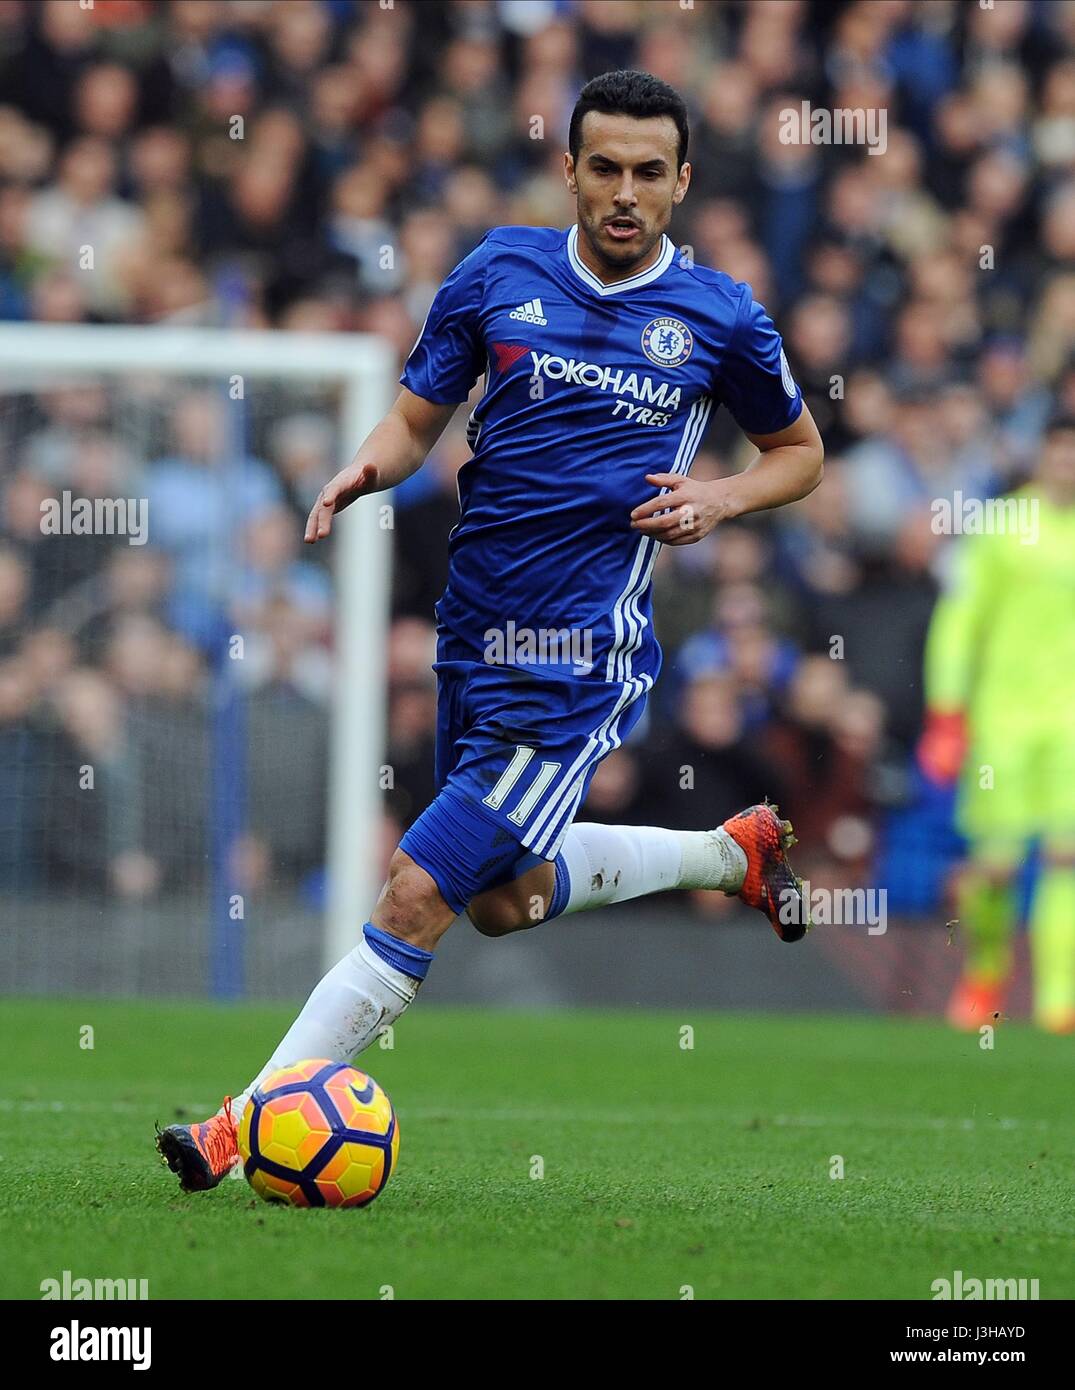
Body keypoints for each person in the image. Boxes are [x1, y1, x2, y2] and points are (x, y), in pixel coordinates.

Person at [157, 70, 824, 1193]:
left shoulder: (720, 318)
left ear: (682, 182)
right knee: (503, 903)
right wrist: (367, 467)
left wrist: (721, 498)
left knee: (413, 889)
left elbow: (800, 454)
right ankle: (730, 853)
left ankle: (238, 1126)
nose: (623, 194)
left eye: (647, 173)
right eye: (602, 168)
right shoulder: (495, 272)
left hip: (575, 662)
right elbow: (417, 419)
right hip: (472, 642)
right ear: (568, 169)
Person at [919, 409, 1075, 1033]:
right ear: (1042, 456)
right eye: (1060, 451)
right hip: (1002, 722)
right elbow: (960, 622)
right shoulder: (1003, 524)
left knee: (1067, 858)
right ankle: (986, 973)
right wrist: (946, 712)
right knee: (998, 864)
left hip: (1069, 729)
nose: (1068, 463)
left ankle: (1059, 1000)